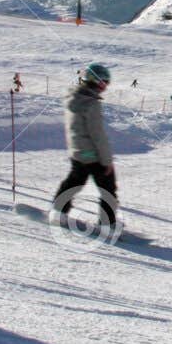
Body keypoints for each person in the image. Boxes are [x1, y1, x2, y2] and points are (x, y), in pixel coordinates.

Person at [52, 63, 118, 231]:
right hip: (93, 154)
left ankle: (58, 212)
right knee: (108, 188)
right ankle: (107, 225)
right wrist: (107, 161)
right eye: (105, 82)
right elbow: (98, 135)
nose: (106, 86)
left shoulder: (74, 98)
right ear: (97, 81)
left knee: (74, 182)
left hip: (78, 152)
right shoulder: (91, 103)